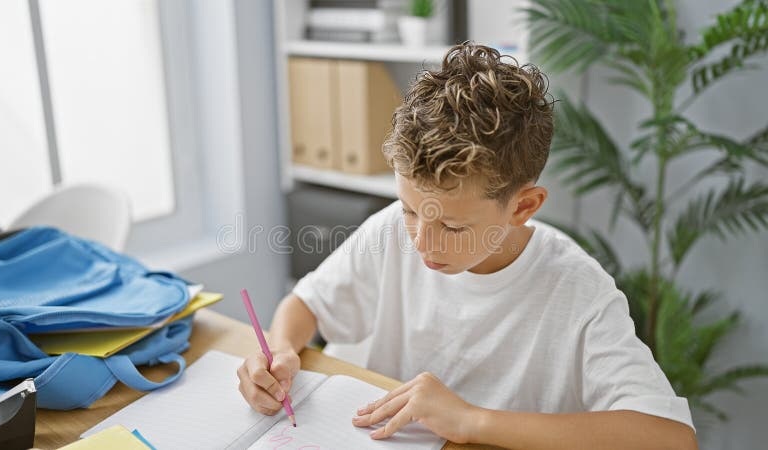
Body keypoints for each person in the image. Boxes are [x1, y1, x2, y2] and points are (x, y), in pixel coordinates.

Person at [236, 42, 697, 449]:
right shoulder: (390, 233)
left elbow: (670, 438)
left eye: (453, 228)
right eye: (410, 209)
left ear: (524, 206)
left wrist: (471, 420)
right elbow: (305, 303)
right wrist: (280, 351)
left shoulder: (577, 291)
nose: (421, 241)